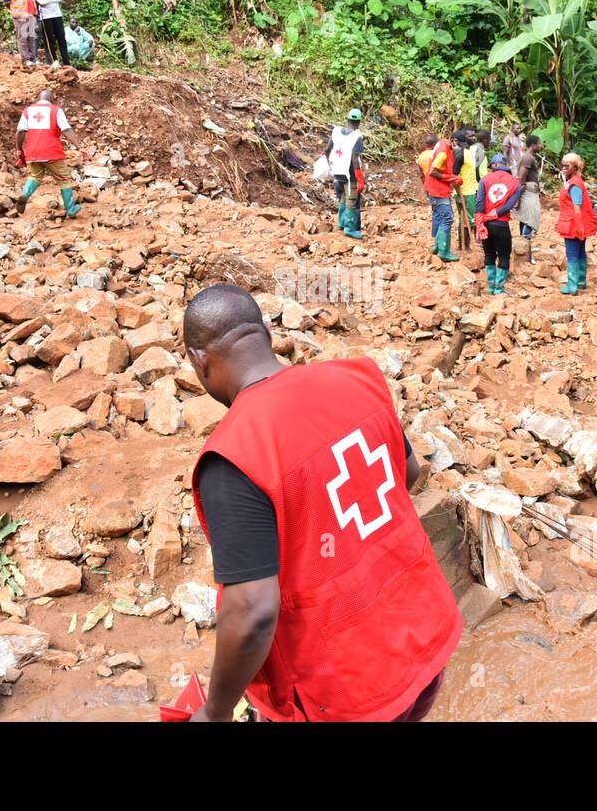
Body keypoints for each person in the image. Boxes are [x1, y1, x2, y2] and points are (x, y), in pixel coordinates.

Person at [183, 284, 462, 722]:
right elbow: (406, 474)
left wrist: (215, 711)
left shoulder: (234, 455)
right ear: (266, 336)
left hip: (346, 689)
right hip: (423, 637)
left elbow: (253, 610)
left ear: (200, 361)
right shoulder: (357, 379)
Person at [15, 89, 87, 217]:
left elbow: (20, 131)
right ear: (51, 99)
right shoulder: (56, 110)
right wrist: (79, 146)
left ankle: (25, 195)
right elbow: (66, 129)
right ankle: (70, 209)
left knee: (34, 176)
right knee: (64, 179)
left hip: (32, 152)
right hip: (52, 152)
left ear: (38, 98)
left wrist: (19, 149)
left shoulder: (28, 111)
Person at [475, 155, 522, 295]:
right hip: (501, 224)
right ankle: (499, 288)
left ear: (494, 165)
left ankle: (490, 286)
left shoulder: (485, 179)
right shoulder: (515, 184)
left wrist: (480, 222)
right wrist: (495, 214)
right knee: (504, 255)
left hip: (485, 224)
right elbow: (508, 206)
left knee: (489, 254)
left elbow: (479, 203)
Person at [554, 152, 597, 295]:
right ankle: (581, 282)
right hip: (575, 223)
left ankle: (572, 286)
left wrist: (579, 227)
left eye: (567, 166)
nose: (563, 169)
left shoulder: (574, 185)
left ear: (575, 167)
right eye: (562, 166)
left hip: (573, 225)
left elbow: (577, 207)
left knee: (572, 254)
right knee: (580, 253)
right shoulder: (576, 181)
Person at [324, 108, 366, 240]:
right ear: (359, 122)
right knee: (351, 201)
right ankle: (349, 228)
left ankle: (341, 223)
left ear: (347, 120)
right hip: (349, 175)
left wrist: (330, 164)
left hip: (336, 172)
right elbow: (355, 160)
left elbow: (327, 150)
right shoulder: (357, 137)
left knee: (342, 198)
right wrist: (360, 178)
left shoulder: (336, 131)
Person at [421, 133, 459, 262]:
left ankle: (437, 246)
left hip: (434, 189)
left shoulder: (441, 145)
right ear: (454, 141)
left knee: (440, 216)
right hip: (439, 190)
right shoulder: (443, 151)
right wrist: (451, 178)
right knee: (447, 219)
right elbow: (433, 171)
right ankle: (444, 251)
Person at [32, 0, 70, 66]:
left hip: (57, 14)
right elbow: (41, 2)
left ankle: (66, 62)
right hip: (46, 17)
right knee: (49, 40)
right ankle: (54, 61)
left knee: (61, 38)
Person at [2, 0, 39, 66]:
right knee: (23, 37)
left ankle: (33, 58)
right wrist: (14, 10)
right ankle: (25, 59)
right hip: (20, 15)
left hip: (30, 14)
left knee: (31, 36)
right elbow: (6, 0)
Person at [514, 132, 542, 258]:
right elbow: (521, 177)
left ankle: (524, 246)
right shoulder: (527, 158)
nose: (541, 146)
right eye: (539, 143)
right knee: (529, 220)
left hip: (529, 191)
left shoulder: (529, 157)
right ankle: (526, 247)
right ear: (533, 145)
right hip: (528, 193)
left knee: (525, 219)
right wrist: (519, 194)